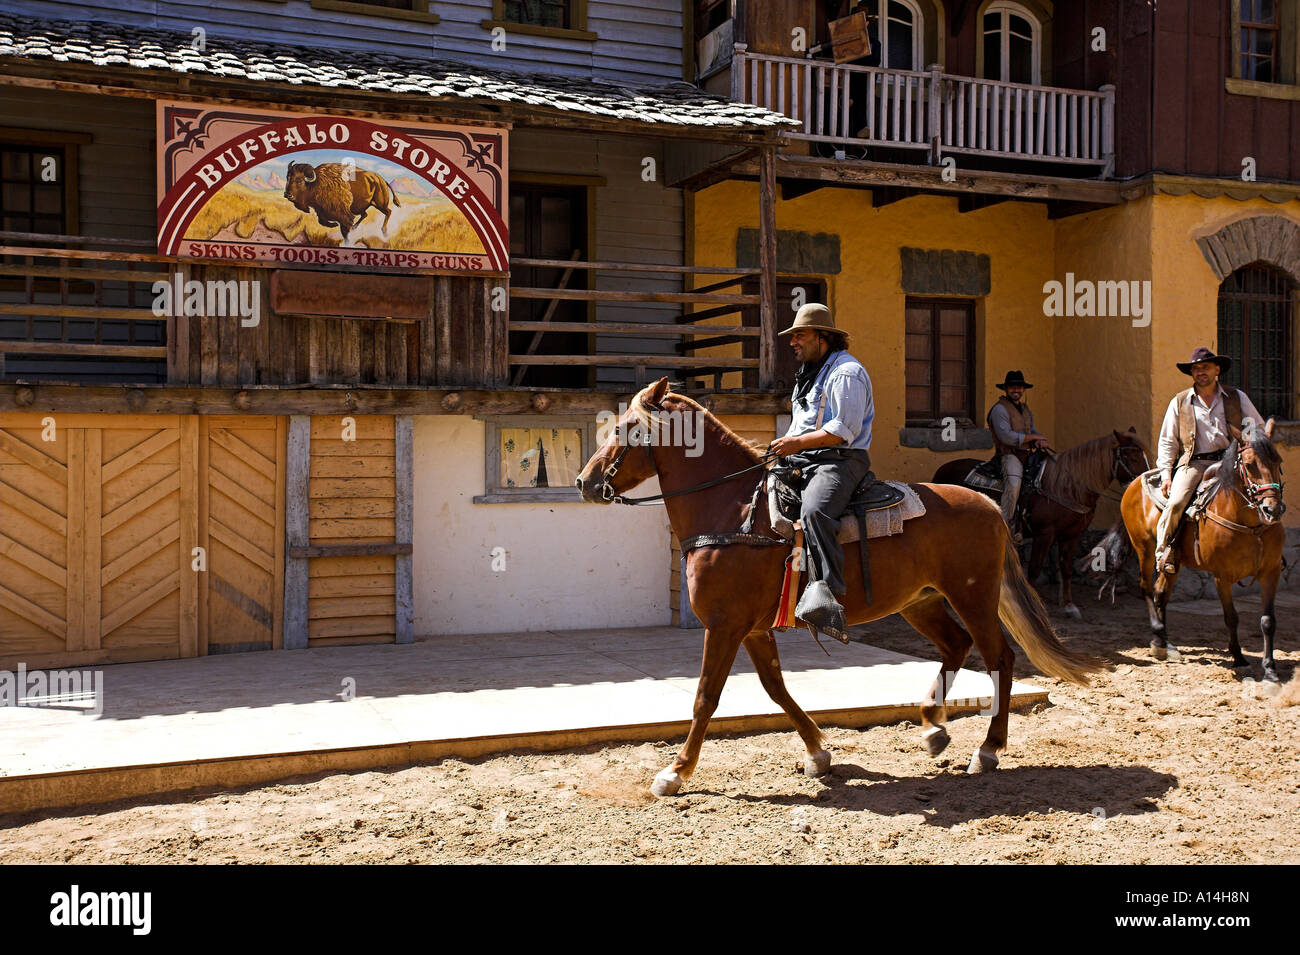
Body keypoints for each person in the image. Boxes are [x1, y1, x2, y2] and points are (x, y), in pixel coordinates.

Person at [768, 303, 874, 642]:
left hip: (840, 461)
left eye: (800, 335)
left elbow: (844, 428)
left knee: (815, 511)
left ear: (822, 337)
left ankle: (828, 596)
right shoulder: (812, 372)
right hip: (805, 460)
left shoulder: (846, 372)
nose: (792, 342)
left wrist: (796, 443)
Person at [1154, 346, 1263, 574]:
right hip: (1194, 463)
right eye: (1196, 369)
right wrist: (1166, 475)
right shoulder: (1180, 402)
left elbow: (1258, 428)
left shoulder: (1237, 397)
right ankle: (1165, 551)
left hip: (1231, 461)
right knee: (1176, 502)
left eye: (1205, 367)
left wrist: (1250, 449)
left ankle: (1271, 552)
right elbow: (1168, 442)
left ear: (1217, 370)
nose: (1200, 372)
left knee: (1262, 492)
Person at [986, 370, 1051, 544]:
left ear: (1023, 389)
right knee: (1014, 485)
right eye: (1013, 387)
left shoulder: (1026, 410)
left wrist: (1040, 440)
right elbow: (1006, 437)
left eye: (1019, 387)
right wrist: (1034, 438)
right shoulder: (999, 409)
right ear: (1006, 389)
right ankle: (1005, 526)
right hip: (1010, 455)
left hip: (1029, 454)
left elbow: (1032, 431)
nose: (1016, 390)